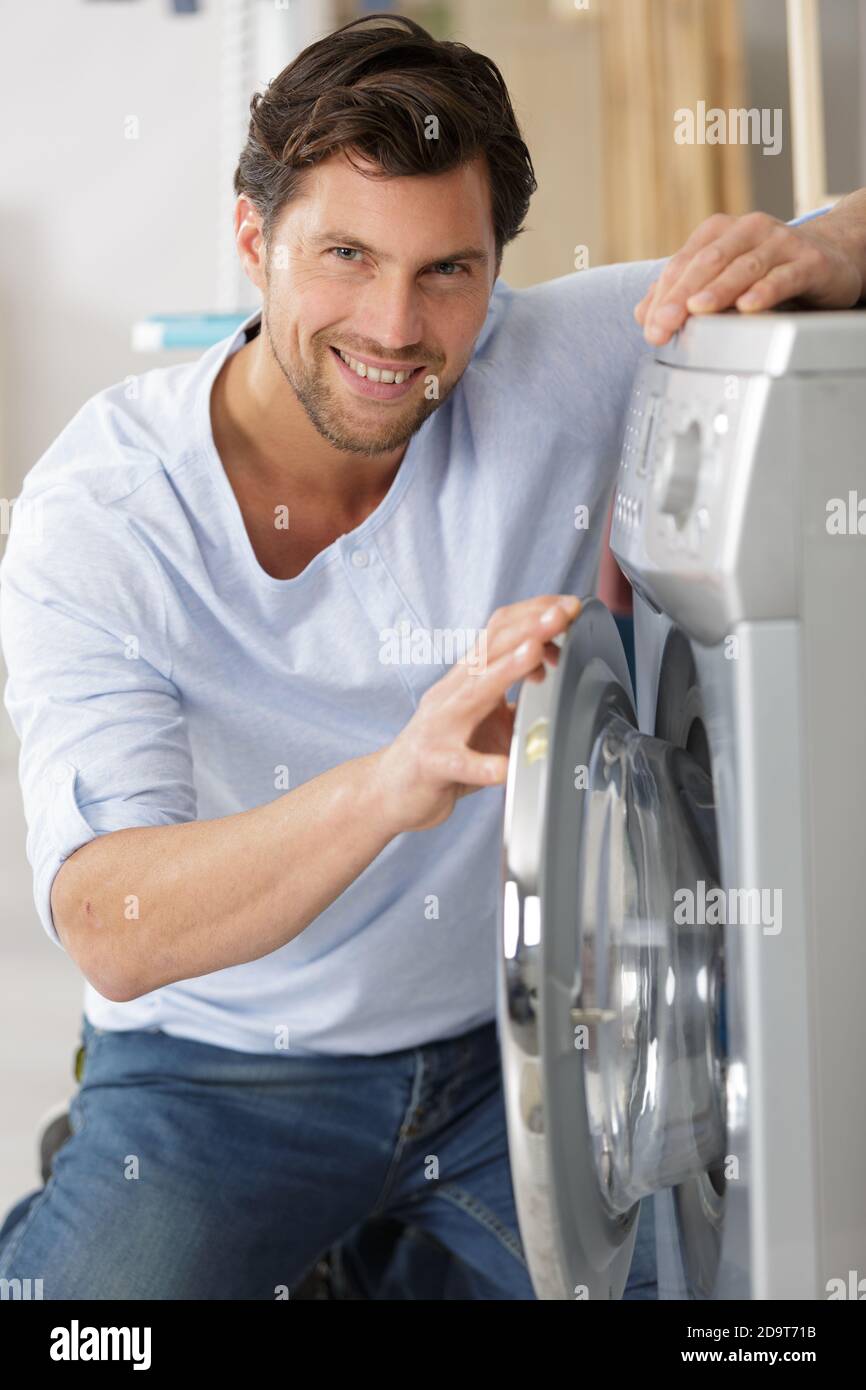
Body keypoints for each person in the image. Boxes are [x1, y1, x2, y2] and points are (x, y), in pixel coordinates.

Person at [1, 12, 864, 1301]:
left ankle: (375, 1263)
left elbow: (817, 253)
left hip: (516, 1054)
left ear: (498, 270)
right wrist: (392, 782)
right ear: (253, 239)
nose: (396, 329)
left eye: (447, 272)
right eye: (344, 255)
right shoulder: (104, 512)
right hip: (221, 1073)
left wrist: (827, 239)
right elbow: (108, 925)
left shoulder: (561, 356)